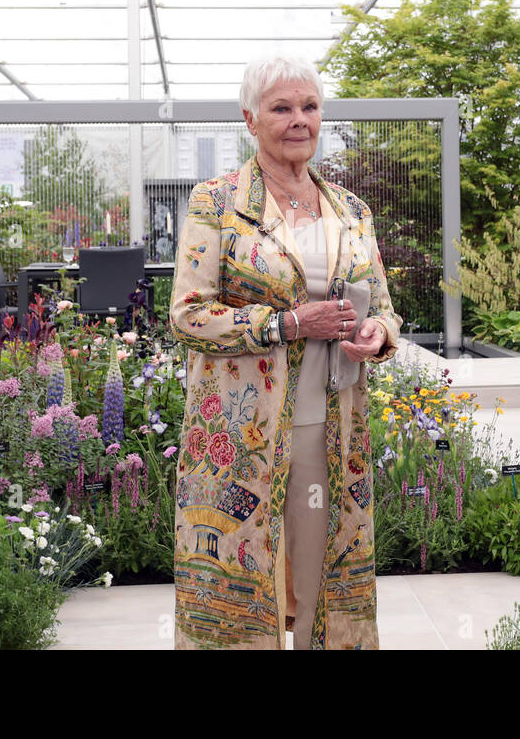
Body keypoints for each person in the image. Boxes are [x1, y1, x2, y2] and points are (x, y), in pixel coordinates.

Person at [169, 53, 401, 650]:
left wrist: (379, 334)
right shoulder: (216, 203)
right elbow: (189, 315)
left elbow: (382, 304)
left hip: (334, 425)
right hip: (244, 432)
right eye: (282, 108)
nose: (300, 120)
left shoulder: (352, 210)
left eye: (310, 106)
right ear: (250, 119)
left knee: (322, 568)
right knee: (248, 571)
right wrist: (289, 323)